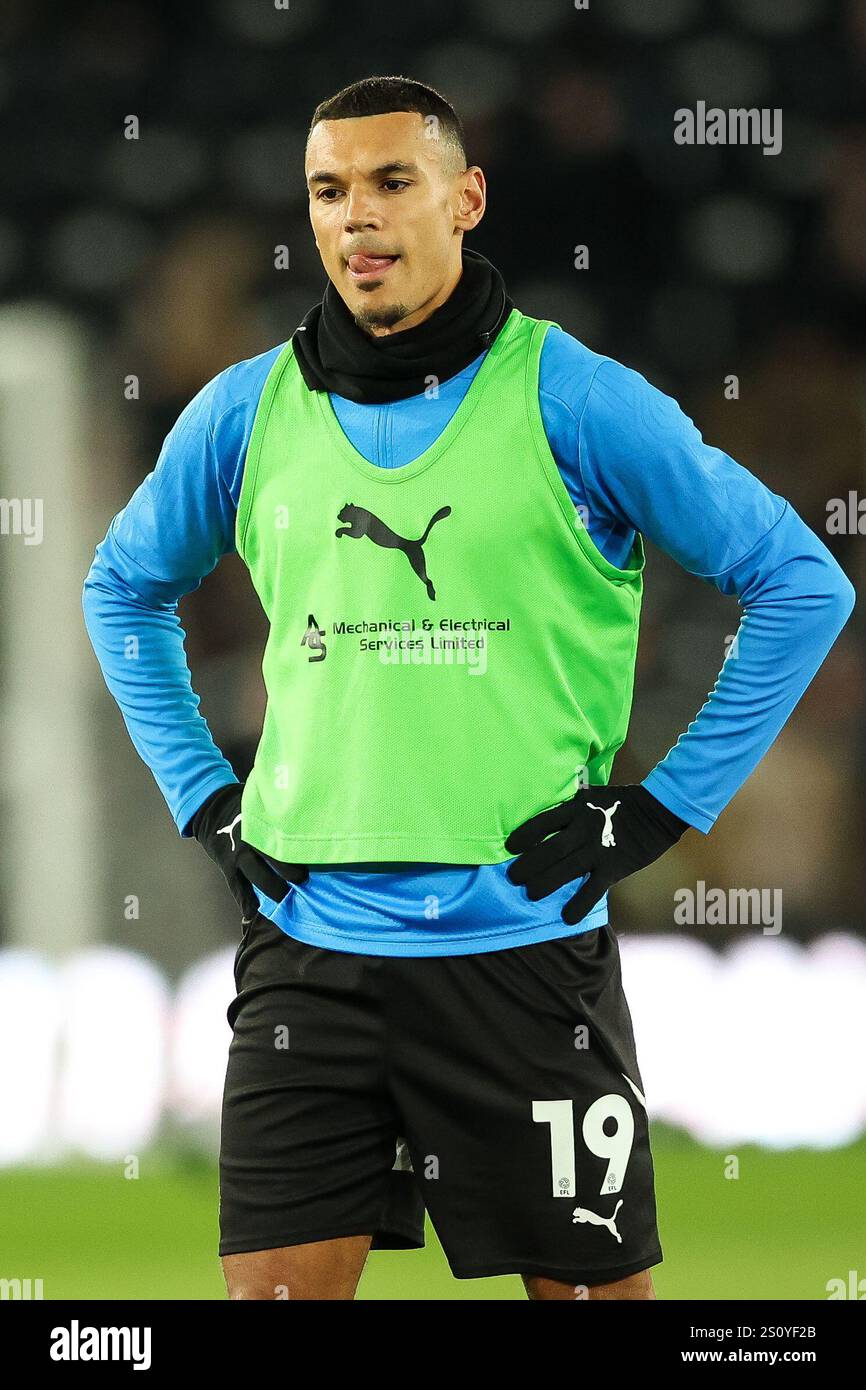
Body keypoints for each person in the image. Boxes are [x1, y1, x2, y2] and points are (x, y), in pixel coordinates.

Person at [82, 75, 855, 1300]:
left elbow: (801, 584)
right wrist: (202, 796)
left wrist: (657, 810)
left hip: (522, 956)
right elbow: (119, 591)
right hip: (305, 957)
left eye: (393, 182)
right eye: (329, 191)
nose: (359, 218)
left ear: (466, 197)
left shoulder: (574, 397)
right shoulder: (244, 411)